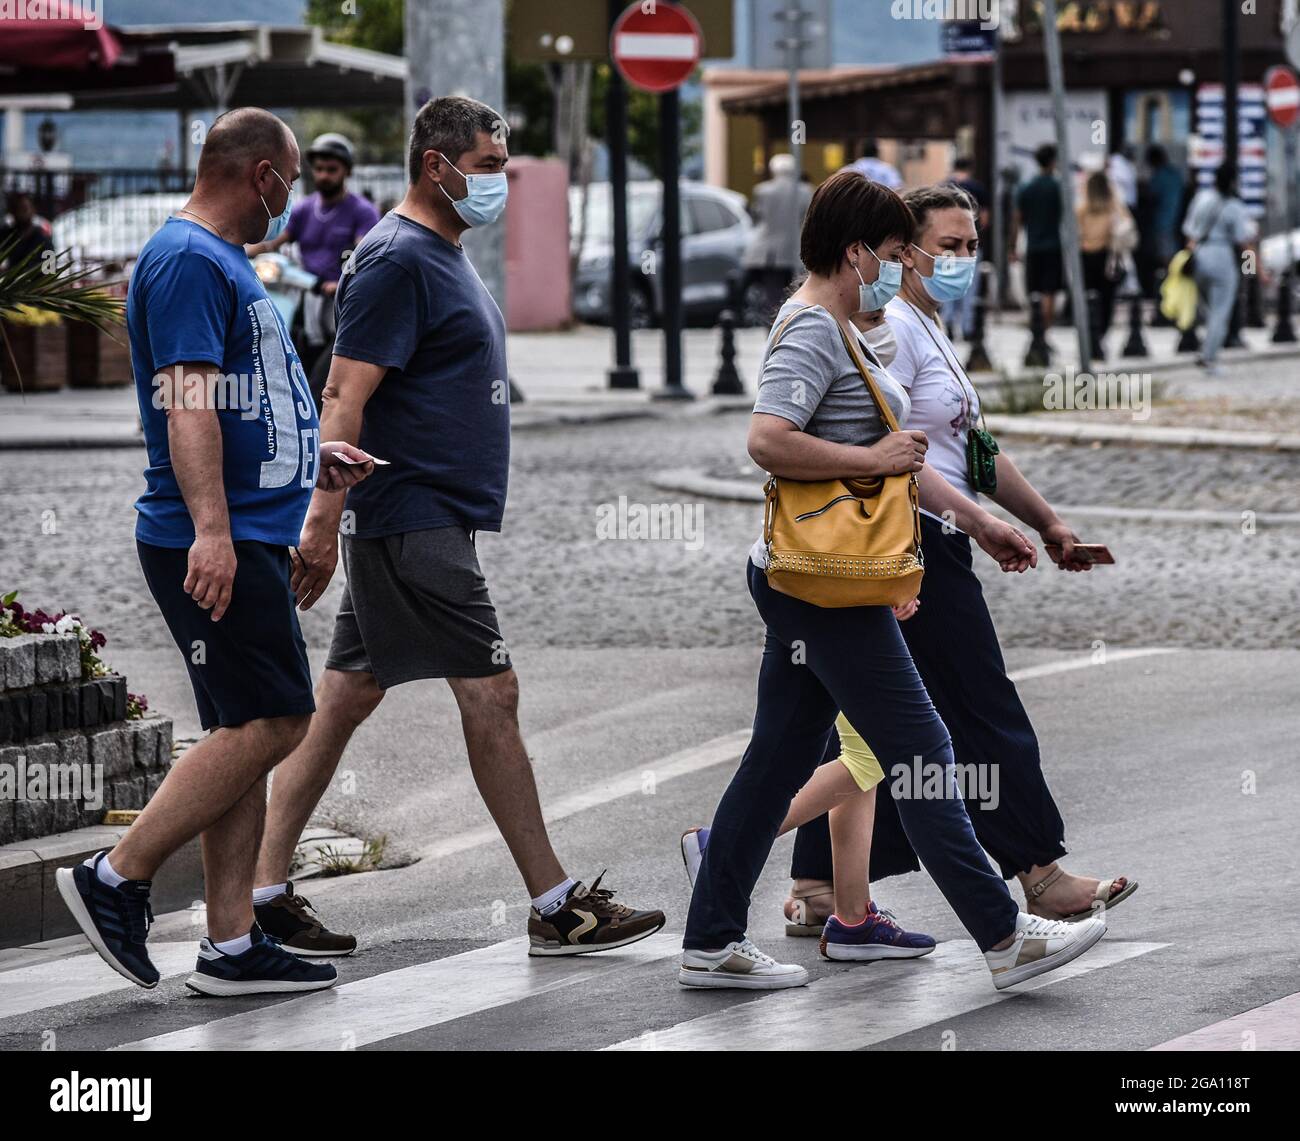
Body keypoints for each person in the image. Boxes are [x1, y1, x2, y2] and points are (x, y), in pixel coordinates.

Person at [252, 95, 665, 958]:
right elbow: (343, 394)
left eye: (502, 168)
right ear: (436, 166)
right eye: (484, 167)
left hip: (421, 517)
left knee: (347, 696)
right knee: (492, 692)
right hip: (414, 516)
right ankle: (556, 903)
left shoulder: (439, 251)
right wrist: (322, 522)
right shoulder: (397, 256)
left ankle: (264, 888)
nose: (497, 183)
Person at [678, 169, 1107, 992]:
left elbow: (934, 450)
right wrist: (874, 459)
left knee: (779, 757)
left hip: (830, 576)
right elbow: (767, 439)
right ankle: (1003, 933)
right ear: (855, 251)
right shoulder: (813, 327)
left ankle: (711, 937)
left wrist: (986, 519)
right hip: (821, 579)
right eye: (894, 252)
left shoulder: (847, 323)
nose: (905, 266)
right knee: (923, 748)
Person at [55, 108, 378, 997]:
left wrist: (311, 456)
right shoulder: (191, 260)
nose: (293, 193)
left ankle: (231, 944)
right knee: (278, 718)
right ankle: (114, 876)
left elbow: (242, 402)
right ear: (261, 176)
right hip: (216, 537)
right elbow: (186, 404)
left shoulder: (218, 261)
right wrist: (213, 531)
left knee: (245, 724)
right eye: (289, 176)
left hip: (244, 528)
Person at [246, 132, 380, 377]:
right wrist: (237, 253)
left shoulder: (362, 212)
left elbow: (366, 254)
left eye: (332, 169)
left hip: (341, 302)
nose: (324, 176)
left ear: (347, 172)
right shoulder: (303, 210)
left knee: (322, 381)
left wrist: (341, 282)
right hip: (307, 297)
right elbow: (270, 244)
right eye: (319, 169)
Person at [1183, 162, 1257, 376]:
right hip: (1222, 257)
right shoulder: (1234, 206)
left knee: (1207, 309)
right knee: (1219, 312)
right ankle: (1209, 357)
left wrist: (1189, 257)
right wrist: (1251, 270)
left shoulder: (1201, 199)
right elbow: (1245, 243)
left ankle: (1206, 347)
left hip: (1199, 255)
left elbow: (1190, 234)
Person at [742, 152, 813, 327]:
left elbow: (758, 217)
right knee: (795, 293)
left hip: (770, 252)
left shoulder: (763, 190)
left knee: (772, 295)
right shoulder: (805, 191)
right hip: (795, 249)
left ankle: (772, 327)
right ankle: (789, 325)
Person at [1077, 170, 1136, 344]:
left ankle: (1089, 336)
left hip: (1085, 255)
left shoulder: (1082, 208)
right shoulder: (1112, 207)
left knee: (1088, 298)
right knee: (1106, 299)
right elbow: (1128, 224)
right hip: (1106, 257)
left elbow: (1075, 232)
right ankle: (1101, 335)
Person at [1014, 144, 1064, 330]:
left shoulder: (1027, 188)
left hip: (1032, 245)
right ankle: (1045, 328)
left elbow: (1017, 220)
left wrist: (1012, 247)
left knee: (1034, 290)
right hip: (1053, 245)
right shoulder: (1058, 187)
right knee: (1049, 290)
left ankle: (1038, 327)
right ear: (1053, 161)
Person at [942, 157, 989, 340]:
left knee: (947, 285)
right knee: (970, 286)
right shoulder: (978, 189)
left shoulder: (943, 187)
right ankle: (967, 327)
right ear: (969, 168)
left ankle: (949, 321)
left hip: (946, 246)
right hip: (971, 246)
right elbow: (984, 219)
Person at [0, 191, 53, 267]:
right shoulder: (5, 236)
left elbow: (50, 270)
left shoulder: (43, 240)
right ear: (12, 212)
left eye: (24, 209)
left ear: (33, 210)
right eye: (17, 209)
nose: (20, 213)